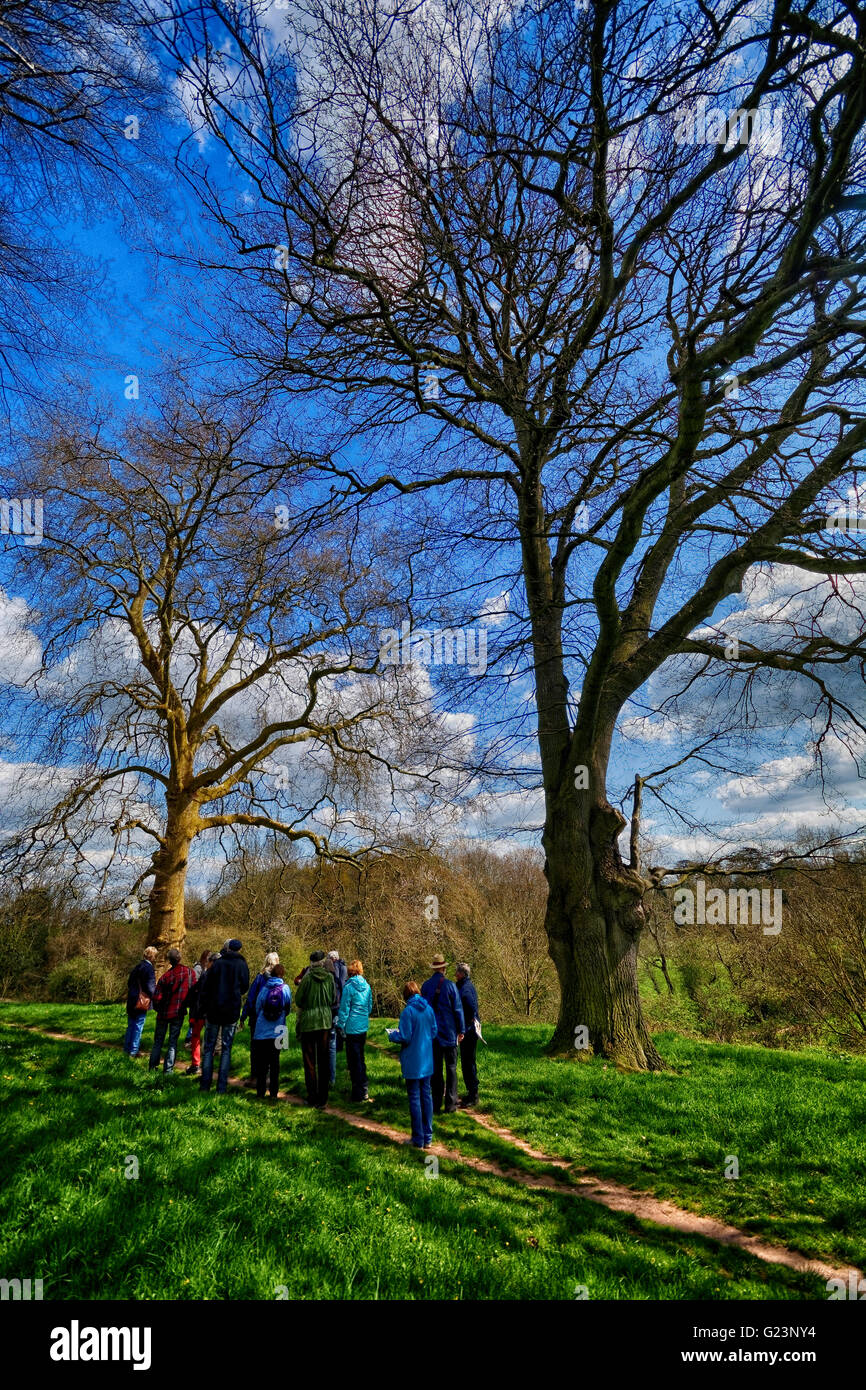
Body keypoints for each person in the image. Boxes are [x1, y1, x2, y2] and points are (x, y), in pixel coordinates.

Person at [387, 981, 438, 1149]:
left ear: (406, 996)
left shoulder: (408, 1012)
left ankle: (418, 1138)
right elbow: (434, 1031)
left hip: (412, 1061)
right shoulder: (429, 1009)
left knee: (415, 1099)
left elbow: (405, 1037)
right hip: (427, 1060)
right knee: (427, 1097)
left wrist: (393, 1035)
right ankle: (428, 1137)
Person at [199, 938, 250, 1094]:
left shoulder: (218, 964)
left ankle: (205, 1085)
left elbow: (206, 987)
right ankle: (221, 1088)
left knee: (209, 1048)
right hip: (231, 1011)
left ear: (226, 949)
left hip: (214, 1010)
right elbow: (244, 988)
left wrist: (204, 1007)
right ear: (239, 950)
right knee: (226, 1049)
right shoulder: (242, 965)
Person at [420, 953, 464, 1114]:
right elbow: (458, 1010)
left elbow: (423, 1009)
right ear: (444, 968)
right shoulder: (451, 986)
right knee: (451, 1068)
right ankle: (451, 1103)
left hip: (433, 1034)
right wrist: (461, 1030)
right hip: (449, 1032)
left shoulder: (425, 986)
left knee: (436, 1070)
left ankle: (436, 1103)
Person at [295, 950, 335, 1109]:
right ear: (323, 962)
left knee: (310, 1061)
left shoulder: (307, 979)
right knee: (324, 1060)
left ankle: (312, 1096)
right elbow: (333, 999)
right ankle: (323, 1098)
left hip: (309, 1023)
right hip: (325, 1021)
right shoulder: (330, 978)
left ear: (311, 963)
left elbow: (298, 1000)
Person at [149, 948, 197, 1073]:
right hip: (178, 1012)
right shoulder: (190, 973)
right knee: (172, 1042)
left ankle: (152, 1068)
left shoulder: (165, 977)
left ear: (169, 961)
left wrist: (159, 1009)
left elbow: (156, 998)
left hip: (164, 1013)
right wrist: (187, 1005)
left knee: (158, 1041)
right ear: (179, 958)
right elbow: (194, 992)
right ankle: (168, 1070)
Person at [253, 958, 292, 1099]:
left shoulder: (265, 988)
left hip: (262, 1030)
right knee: (275, 1062)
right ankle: (274, 1093)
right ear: (283, 974)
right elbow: (288, 1007)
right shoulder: (286, 988)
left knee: (262, 1063)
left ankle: (260, 1091)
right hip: (279, 1029)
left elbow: (258, 1007)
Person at [335, 959, 373, 1102]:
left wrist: (341, 1025)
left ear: (350, 972)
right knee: (360, 1058)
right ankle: (364, 1089)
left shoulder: (349, 988)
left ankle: (357, 1092)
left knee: (353, 1061)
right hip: (362, 1027)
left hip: (351, 1028)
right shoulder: (367, 987)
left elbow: (344, 1009)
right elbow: (369, 1007)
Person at [240, 952, 281, 1085]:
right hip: (277, 1021)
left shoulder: (260, 978)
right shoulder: (280, 981)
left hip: (257, 1019)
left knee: (256, 1049)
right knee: (274, 1049)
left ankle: (255, 1077)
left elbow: (251, 999)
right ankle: (270, 1079)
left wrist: (243, 1016)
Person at [186, 951, 217, 1076]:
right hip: (213, 1012)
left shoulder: (205, 975)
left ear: (210, 963)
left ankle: (196, 1064)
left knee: (196, 1038)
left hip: (201, 1012)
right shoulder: (220, 977)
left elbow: (196, 993)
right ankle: (207, 1067)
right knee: (209, 1041)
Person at [123, 946, 157, 1057]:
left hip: (132, 999)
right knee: (138, 1026)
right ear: (152, 957)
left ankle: (126, 1049)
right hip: (141, 1001)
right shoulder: (149, 968)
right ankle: (134, 1051)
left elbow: (129, 983)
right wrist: (156, 997)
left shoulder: (137, 967)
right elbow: (150, 987)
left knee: (131, 1025)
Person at [455, 962, 480, 1107]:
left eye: (457, 972)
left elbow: (471, 1007)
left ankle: (473, 1095)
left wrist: (467, 1022)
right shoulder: (466, 986)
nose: (455, 975)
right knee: (467, 1061)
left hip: (469, 1031)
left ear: (462, 974)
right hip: (469, 1029)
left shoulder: (465, 989)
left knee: (468, 1062)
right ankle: (471, 1092)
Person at [326, 949, 348, 1086]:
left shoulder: (331, 968)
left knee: (334, 1024)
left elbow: (339, 983)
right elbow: (343, 983)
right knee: (338, 1024)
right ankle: (339, 1045)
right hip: (339, 1000)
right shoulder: (343, 967)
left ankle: (336, 1044)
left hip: (334, 1001)